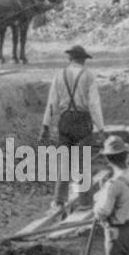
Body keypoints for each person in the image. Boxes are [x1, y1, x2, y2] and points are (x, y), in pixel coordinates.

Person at [40, 45, 105, 213]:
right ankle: (85, 203)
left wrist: (45, 126)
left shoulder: (59, 75)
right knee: (83, 164)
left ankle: (59, 201)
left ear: (70, 59)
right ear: (83, 60)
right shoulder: (88, 76)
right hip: (82, 120)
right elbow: (94, 105)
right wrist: (101, 129)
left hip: (65, 120)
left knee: (64, 162)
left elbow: (52, 103)